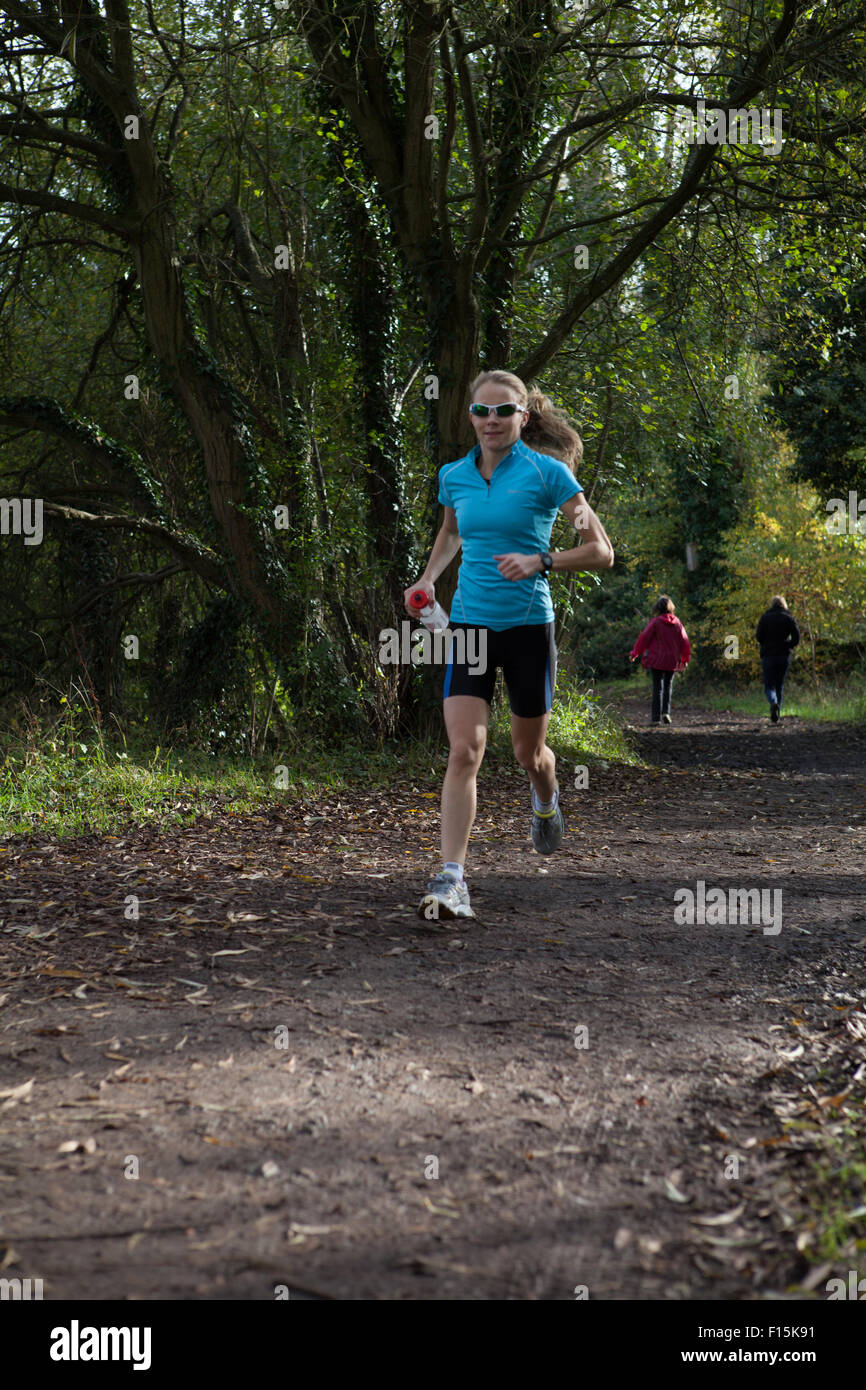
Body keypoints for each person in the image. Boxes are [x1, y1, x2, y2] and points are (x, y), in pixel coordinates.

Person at [405, 370, 614, 921]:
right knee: (464, 750)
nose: (491, 421)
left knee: (529, 754)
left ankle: (545, 800)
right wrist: (428, 580)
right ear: (470, 416)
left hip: (526, 630)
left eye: (503, 411)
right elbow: (452, 532)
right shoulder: (454, 475)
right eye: (481, 411)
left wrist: (542, 561)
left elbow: (601, 550)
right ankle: (452, 880)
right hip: (470, 627)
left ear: (524, 416)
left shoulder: (552, 476)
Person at [629, 596, 690, 725]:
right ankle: (666, 712)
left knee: (658, 688)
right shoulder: (678, 623)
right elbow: (685, 641)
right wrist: (684, 659)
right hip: (672, 660)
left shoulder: (656, 622)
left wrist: (635, 653)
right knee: (668, 686)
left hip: (656, 660)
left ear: (657, 608)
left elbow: (644, 638)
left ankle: (656, 718)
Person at [756, 595, 799, 722]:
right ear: (784, 604)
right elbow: (796, 638)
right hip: (783, 655)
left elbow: (758, 637)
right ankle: (777, 712)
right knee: (779, 684)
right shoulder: (789, 618)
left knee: (769, 685)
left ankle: (773, 702)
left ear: (772, 604)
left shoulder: (765, 617)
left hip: (768, 655)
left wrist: (767, 644)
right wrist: (788, 645)